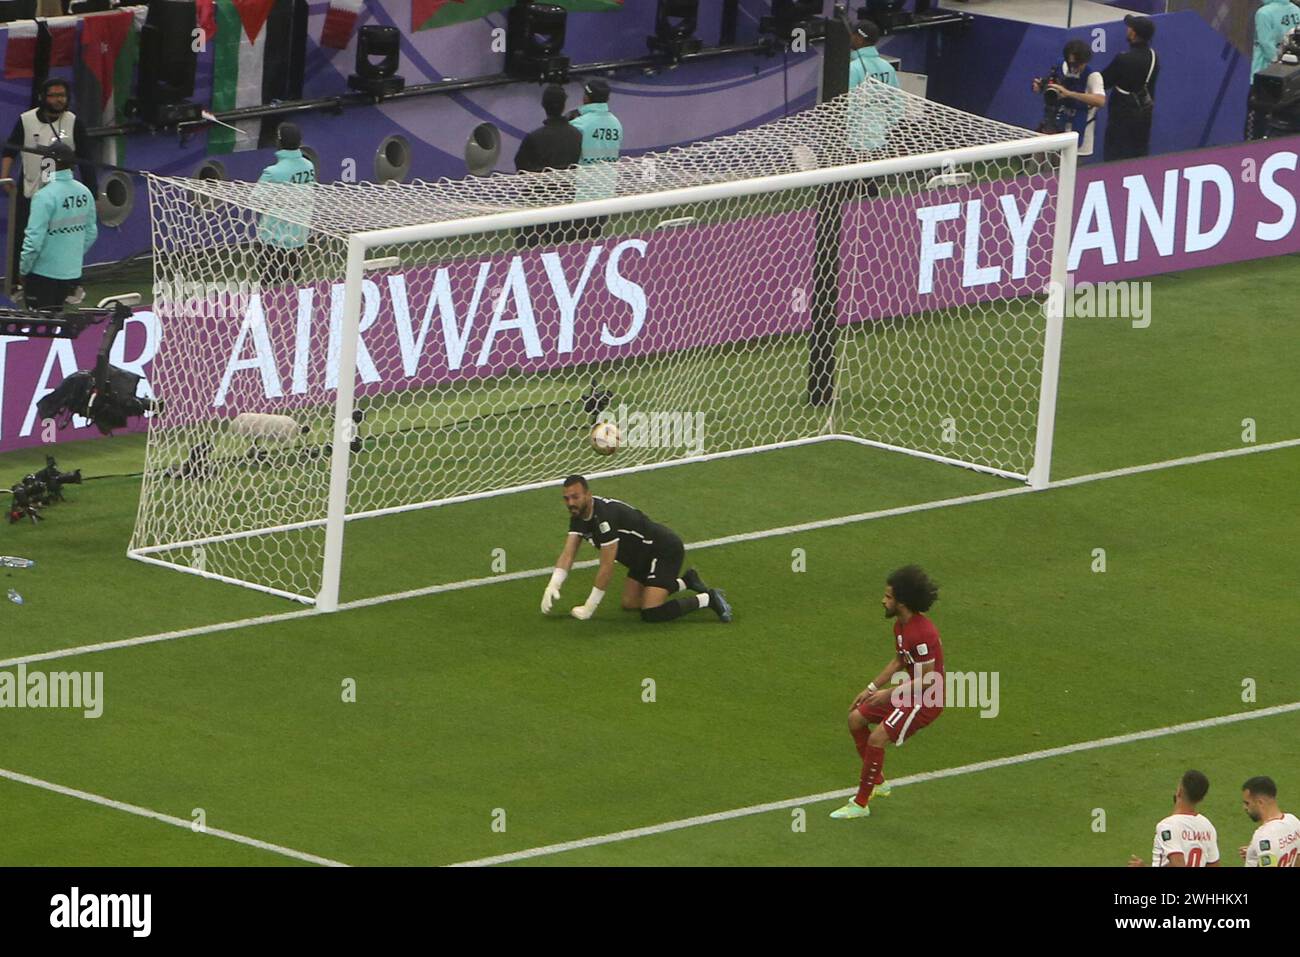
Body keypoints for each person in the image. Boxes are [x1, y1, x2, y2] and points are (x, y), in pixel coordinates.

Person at [831, 566, 943, 820]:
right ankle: (878, 782)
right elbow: (899, 661)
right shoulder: (901, 627)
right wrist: (871, 688)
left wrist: (887, 694)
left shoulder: (923, 634)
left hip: (925, 700)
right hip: (910, 691)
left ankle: (860, 804)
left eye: (889, 597)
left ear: (902, 602)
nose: (883, 600)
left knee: (877, 739)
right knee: (855, 719)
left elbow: (928, 680)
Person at [541, 474, 732, 624]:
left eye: (575, 497)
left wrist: (589, 607)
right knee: (630, 603)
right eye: (566, 498)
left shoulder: (604, 518)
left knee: (651, 612)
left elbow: (607, 566)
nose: (570, 503)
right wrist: (553, 584)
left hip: (662, 550)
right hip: (641, 557)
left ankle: (709, 599)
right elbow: (568, 553)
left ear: (588, 495)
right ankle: (686, 581)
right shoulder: (579, 515)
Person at [2, 78, 98, 292]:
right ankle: (21, 283)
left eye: (62, 95)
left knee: (64, 239)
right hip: (31, 192)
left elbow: (86, 160)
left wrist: (93, 194)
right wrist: (4, 177)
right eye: (53, 95)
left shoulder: (74, 121)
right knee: (27, 238)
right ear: (43, 97)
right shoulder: (26, 120)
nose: (58, 100)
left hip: (62, 197)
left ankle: (70, 283)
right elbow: (9, 151)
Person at [18, 142, 97, 310]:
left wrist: (24, 269)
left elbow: (34, 240)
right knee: (57, 316)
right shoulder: (85, 192)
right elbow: (91, 232)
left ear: (49, 163)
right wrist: (70, 256)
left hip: (42, 273)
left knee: (39, 323)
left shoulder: (44, 196)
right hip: (70, 273)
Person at [252, 122, 316, 287]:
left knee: (269, 287)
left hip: (273, 240)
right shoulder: (309, 166)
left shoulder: (272, 172)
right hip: (299, 238)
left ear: (278, 142)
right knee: (291, 285)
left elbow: (254, 200)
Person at [1126, 770, 1220, 867]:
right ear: (1201, 799)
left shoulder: (1167, 827)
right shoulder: (1208, 827)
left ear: (1179, 792)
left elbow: (1178, 864)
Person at [1034, 39, 1107, 160]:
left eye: (1078, 64)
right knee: (1043, 167)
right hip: (1055, 123)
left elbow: (1100, 100)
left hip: (1079, 128)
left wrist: (1070, 94)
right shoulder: (1059, 67)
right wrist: (1041, 86)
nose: (1074, 67)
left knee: (1072, 171)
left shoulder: (1093, 76)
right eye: (1071, 63)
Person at [1100, 15, 1159, 162]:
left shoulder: (1123, 59)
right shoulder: (1154, 57)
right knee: (1137, 159)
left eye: (1130, 28)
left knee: (1114, 158)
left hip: (1121, 119)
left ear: (1133, 33)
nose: (1127, 29)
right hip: (1143, 119)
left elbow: (1103, 81)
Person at [568, 77, 622, 235]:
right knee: (594, 239)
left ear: (586, 97)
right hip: (606, 192)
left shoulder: (578, 124)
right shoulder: (616, 124)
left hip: (581, 194)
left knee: (571, 246)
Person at [1249, 0, 1300, 139]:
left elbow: (1265, 43)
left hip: (1264, 75)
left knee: (1256, 119)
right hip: (1293, 75)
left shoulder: (1263, 13)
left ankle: (1253, 150)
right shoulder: (1296, 9)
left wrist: (1277, 65)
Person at [515, 84, 582, 174]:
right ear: (564, 105)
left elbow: (521, 168)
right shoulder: (577, 134)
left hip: (540, 187)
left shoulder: (534, 138)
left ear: (543, 105)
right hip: (567, 186)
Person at [1239, 776, 1300, 867]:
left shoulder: (1263, 837)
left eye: (1247, 803)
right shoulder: (1293, 821)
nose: (1245, 807)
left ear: (1260, 802)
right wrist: (1255, 851)